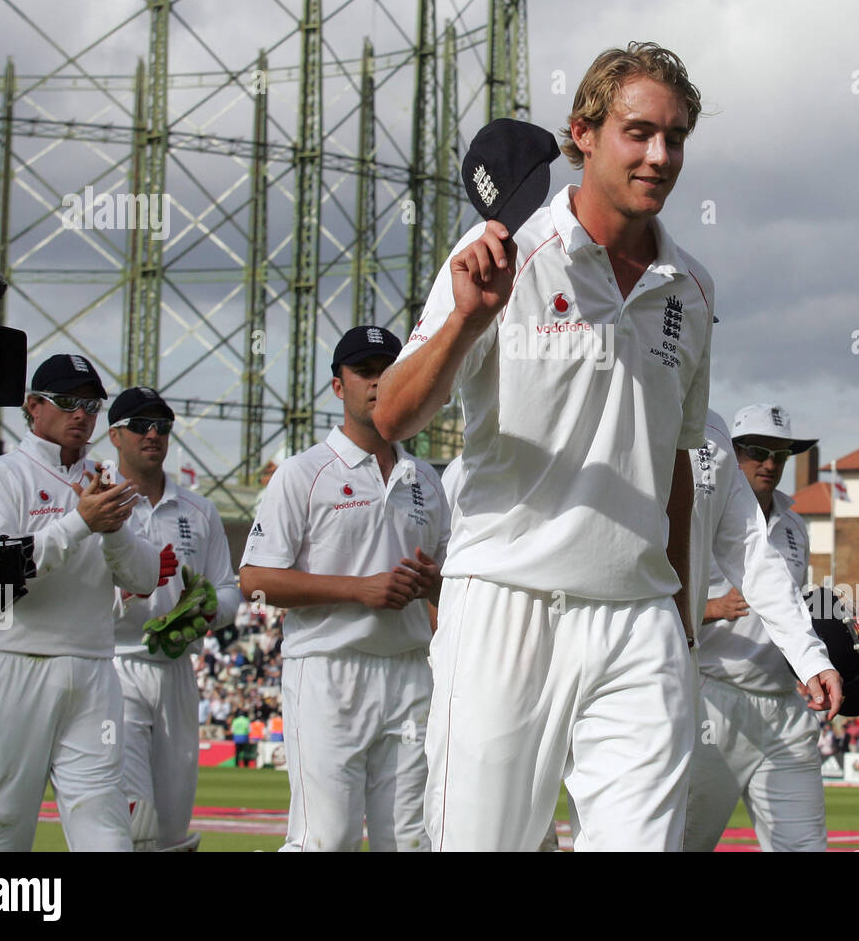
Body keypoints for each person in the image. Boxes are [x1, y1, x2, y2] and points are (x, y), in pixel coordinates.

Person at [375, 42, 728, 851]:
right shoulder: (504, 256)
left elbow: (674, 459)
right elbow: (394, 417)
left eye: (675, 138)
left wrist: (677, 616)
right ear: (584, 132)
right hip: (506, 597)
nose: (659, 155)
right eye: (638, 132)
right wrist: (467, 317)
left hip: (638, 616)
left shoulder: (695, 289)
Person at [240, 326, 449, 852]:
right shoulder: (302, 473)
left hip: (410, 674)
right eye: (365, 372)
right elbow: (256, 582)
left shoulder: (425, 479)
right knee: (324, 840)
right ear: (338, 386)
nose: (379, 383)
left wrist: (435, 585)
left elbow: (450, 587)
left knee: (408, 841)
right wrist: (359, 590)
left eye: (389, 370)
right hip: (329, 671)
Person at [0, 354, 168, 851]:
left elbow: (143, 576)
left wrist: (113, 530)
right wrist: (80, 522)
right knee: (3, 823)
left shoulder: (104, 479)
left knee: (105, 821)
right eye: (69, 402)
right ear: (33, 406)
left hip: (95, 666)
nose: (82, 415)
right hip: (15, 660)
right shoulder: (1, 474)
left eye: (92, 405)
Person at [684, 404, 840, 851]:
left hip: (784, 708)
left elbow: (789, 610)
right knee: (684, 842)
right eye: (757, 451)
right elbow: (659, 604)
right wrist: (712, 608)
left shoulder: (796, 525)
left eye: (781, 454)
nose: (770, 463)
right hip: (714, 701)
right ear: (732, 452)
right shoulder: (698, 510)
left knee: (804, 847)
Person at [109, 386, 240, 851]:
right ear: (115, 436)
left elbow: (228, 589)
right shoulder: (98, 503)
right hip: (114, 667)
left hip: (177, 672)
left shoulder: (199, 510)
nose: (153, 434)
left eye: (162, 426)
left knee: (169, 826)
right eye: (141, 425)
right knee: (132, 819)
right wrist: (122, 596)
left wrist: (209, 610)